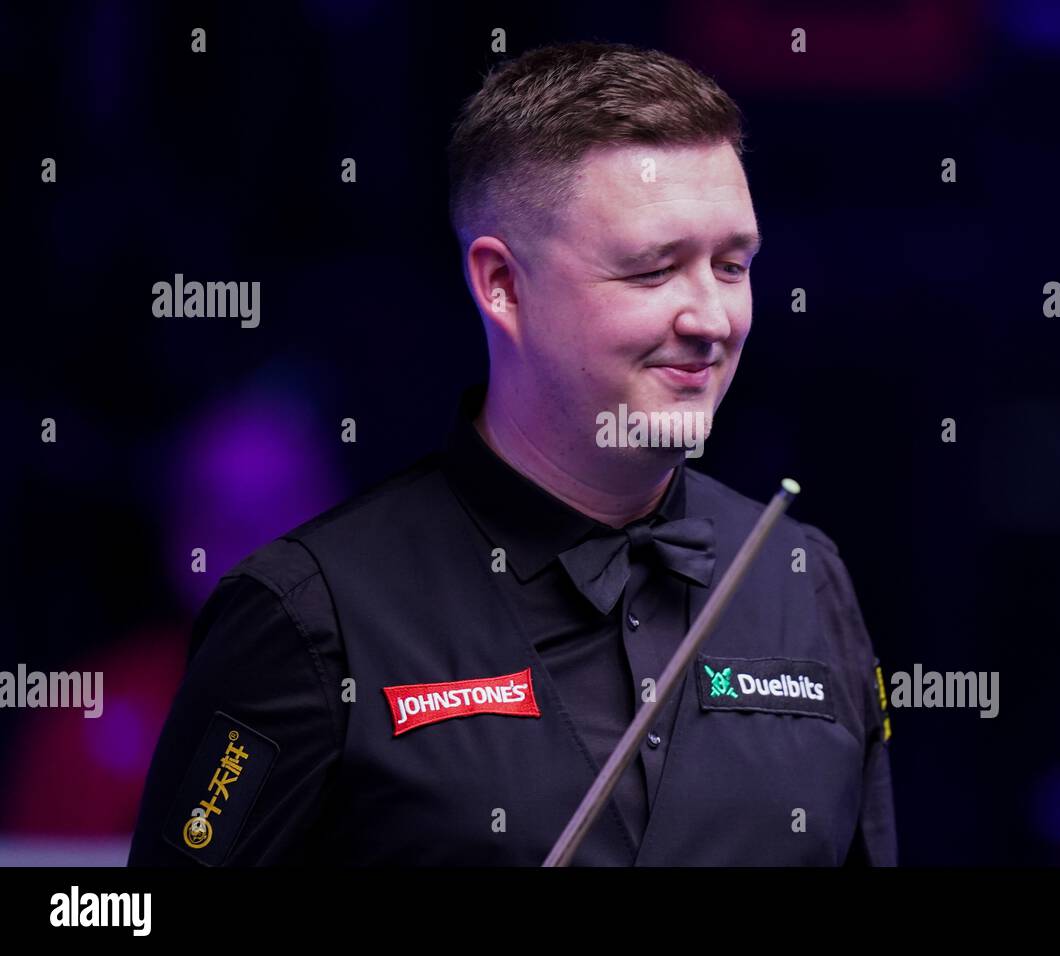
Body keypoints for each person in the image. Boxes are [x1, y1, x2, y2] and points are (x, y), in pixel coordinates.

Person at [127, 40, 896, 867]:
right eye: (652, 271)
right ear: (502, 284)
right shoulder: (309, 620)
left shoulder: (801, 579)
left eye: (732, 266)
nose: (712, 318)